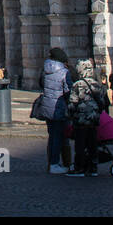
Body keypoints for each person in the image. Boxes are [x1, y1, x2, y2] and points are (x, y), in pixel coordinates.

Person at [67, 58, 108, 176]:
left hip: (80, 118)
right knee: (92, 143)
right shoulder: (96, 84)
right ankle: (93, 167)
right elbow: (102, 101)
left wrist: (71, 115)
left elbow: (72, 103)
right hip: (94, 118)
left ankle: (79, 167)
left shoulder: (78, 85)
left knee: (80, 144)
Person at [34, 47, 72, 175]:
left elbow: (41, 84)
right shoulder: (64, 72)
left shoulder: (45, 69)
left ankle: (52, 162)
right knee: (59, 136)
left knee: (52, 136)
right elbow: (68, 91)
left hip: (47, 106)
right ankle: (55, 164)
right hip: (59, 108)